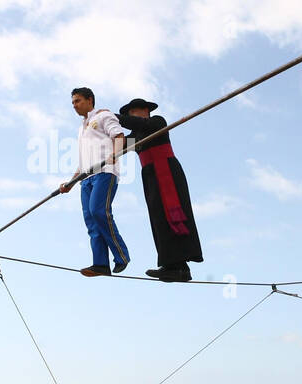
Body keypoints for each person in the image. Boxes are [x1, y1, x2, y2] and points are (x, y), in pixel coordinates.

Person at [115, 98, 203, 282]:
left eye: (134, 111)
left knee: (173, 214)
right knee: (159, 218)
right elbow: (116, 145)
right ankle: (176, 267)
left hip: (166, 170)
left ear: (146, 111)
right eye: (129, 113)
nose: (131, 115)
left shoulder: (157, 122)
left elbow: (138, 123)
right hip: (149, 174)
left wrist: (112, 117)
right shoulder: (135, 135)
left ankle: (176, 266)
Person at [59, 87, 130, 277]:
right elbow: (82, 163)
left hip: (105, 172)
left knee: (98, 211)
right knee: (91, 220)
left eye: (78, 101)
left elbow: (119, 136)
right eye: (73, 102)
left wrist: (115, 154)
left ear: (90, 100)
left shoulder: (103, 115)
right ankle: (101, 264)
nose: (74, 105)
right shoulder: (81, 129)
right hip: (86, 179)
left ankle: (122, 256)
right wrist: (71, 183)